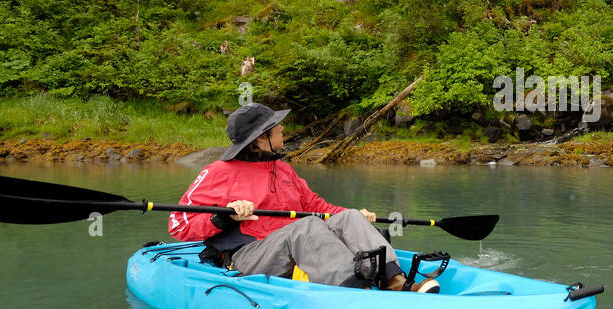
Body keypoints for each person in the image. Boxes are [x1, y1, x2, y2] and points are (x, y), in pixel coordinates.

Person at [168, 103, 438, 292]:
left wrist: (352, 214)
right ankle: (355, 291)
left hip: (295, 244)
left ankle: (393, 280)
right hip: (248, 256)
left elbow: (317, 208)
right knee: (305, 227)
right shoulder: (218, 172)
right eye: (277, 129)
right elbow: (178, 224)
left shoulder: (283, 169)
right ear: (260, 140)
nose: (283, 132)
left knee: (350, 217)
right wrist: (223, 217)